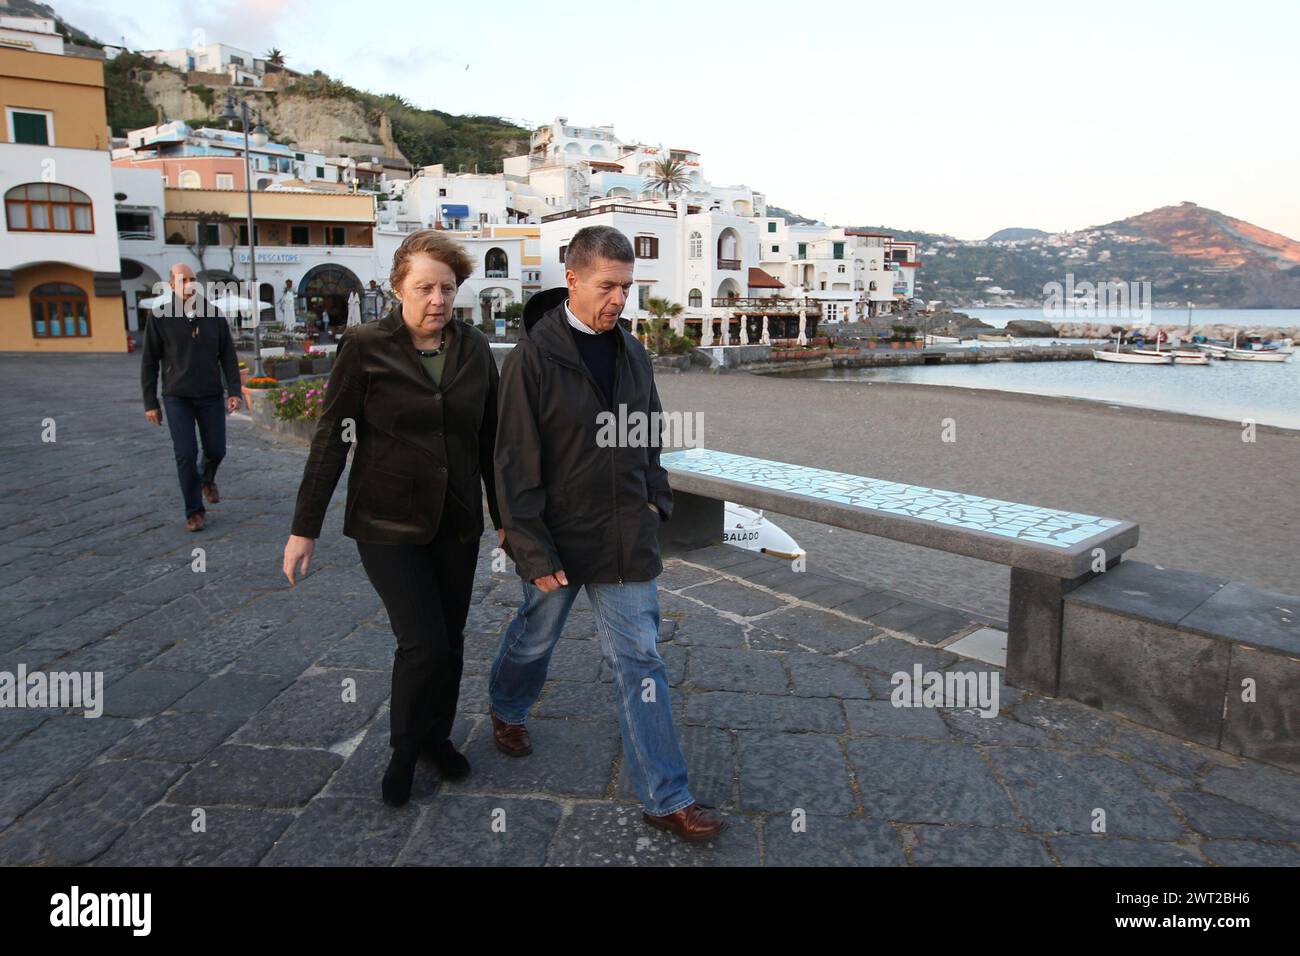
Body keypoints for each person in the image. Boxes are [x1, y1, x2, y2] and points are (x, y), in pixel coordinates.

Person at [491, 226, 726, 843]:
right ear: (572, 279)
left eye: (627, 287)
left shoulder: (633, 352)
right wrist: (531, 548)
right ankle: (507, 708)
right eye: (608, 286)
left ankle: (665, 796)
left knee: (639, 660)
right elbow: (514, 464)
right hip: (558, 538)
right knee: (535, 638)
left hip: (626, 536)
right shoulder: (531, 360)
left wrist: (657, 500)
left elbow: (648, 435)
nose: (619, 299)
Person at [282, 230, 503, 807]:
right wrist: (304, 527)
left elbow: (490, 440)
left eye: (448, 289)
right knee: (422, 641)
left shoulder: (475, 348)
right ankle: (404, 750)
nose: (438, 300)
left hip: (456, 521)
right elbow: (331, 439)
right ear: (398, 287)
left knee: (450, 640)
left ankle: (436, 738)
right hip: (387, 522)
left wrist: (505, 519)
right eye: (425, 287)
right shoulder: (364, 344)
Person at [140, 263, 242, 532]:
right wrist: (150, 402)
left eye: (192, 279)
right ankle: (194, 511)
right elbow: (149, 362)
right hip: (177, 397)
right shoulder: (159, 316)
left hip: (210, 394)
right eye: (182, 279)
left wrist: (234, 391)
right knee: (186, 453)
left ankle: (207, 479)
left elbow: (228, 357)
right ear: (171, 285)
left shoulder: (213, 314)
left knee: (217, 449)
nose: (189, 283)